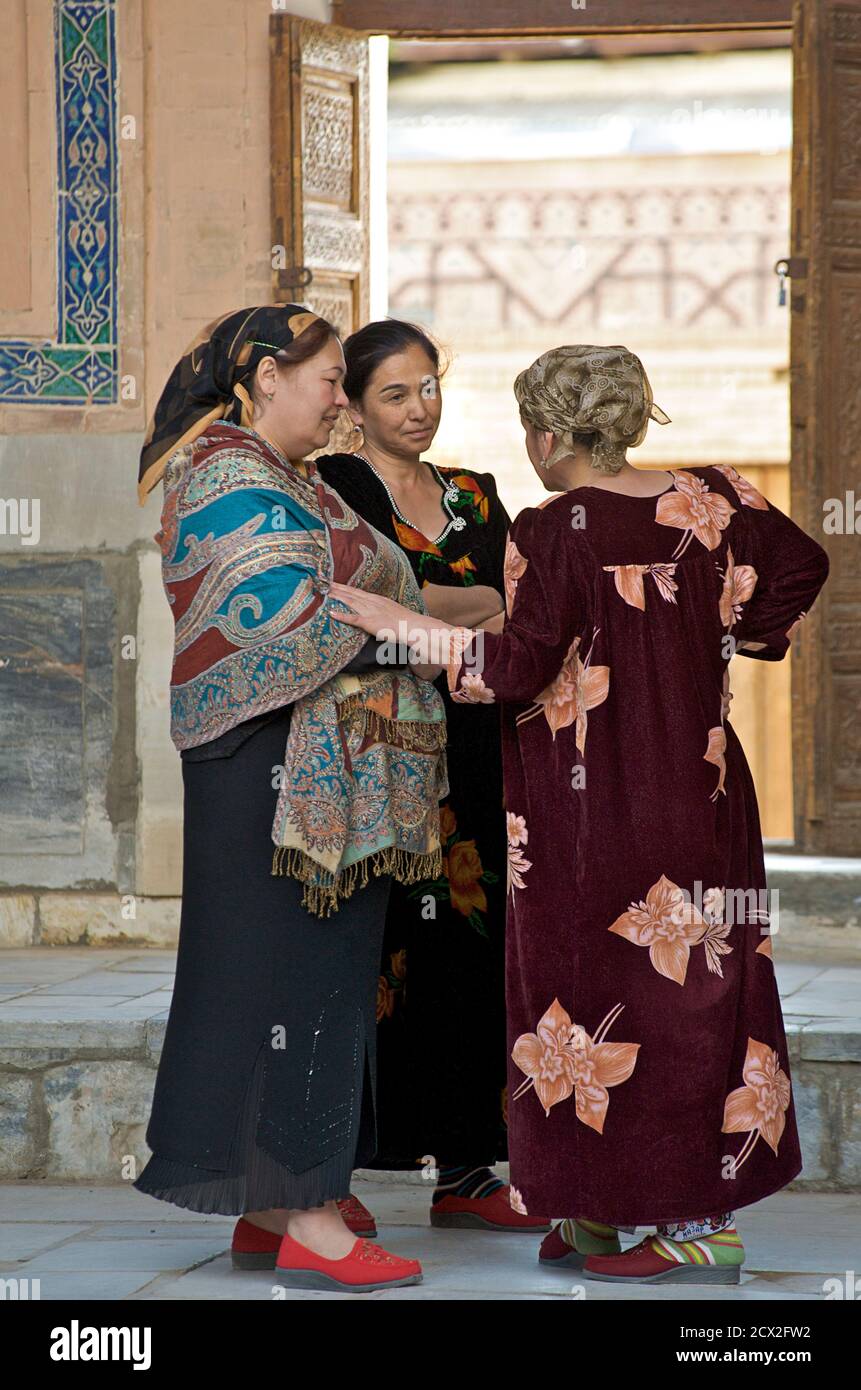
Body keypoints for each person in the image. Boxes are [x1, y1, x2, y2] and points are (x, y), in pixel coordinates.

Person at [328, 343, 830, 1285]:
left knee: (588, 1004)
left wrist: (401, 627)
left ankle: (689, 1226)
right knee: (698, 1001)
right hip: (706, 797)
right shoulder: (713, 496)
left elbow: (515, 667)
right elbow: (801, 566)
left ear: (549, 434)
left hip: (588, 815)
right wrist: (732, 626)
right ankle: (606, 1212)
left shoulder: (554, 526)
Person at [132, 304, 450, 1294]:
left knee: (288, 982)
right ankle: (314, 1214)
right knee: (296, 980)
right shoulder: (225, 472)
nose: (341, 403)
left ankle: (272, 1205)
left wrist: (396, 610)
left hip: (318, 772)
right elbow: (297, 612)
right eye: (327, 382)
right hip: (268, 773)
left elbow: (373, 585)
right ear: (266, 376)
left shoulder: (293, 478)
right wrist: (412, 627)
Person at [316, 319, 547, 1233]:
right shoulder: (335, 486)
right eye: (395, 394)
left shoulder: (474, 490)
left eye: (430, 388)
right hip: (377, 745)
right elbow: (360, 601)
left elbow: (505, 599)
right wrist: (443, 601)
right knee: (369, 954)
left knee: (473, 947)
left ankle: (468, 1171)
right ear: (356, 409)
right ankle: (330, 1174)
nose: (421, 409)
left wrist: (414, 598)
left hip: (476, 744)